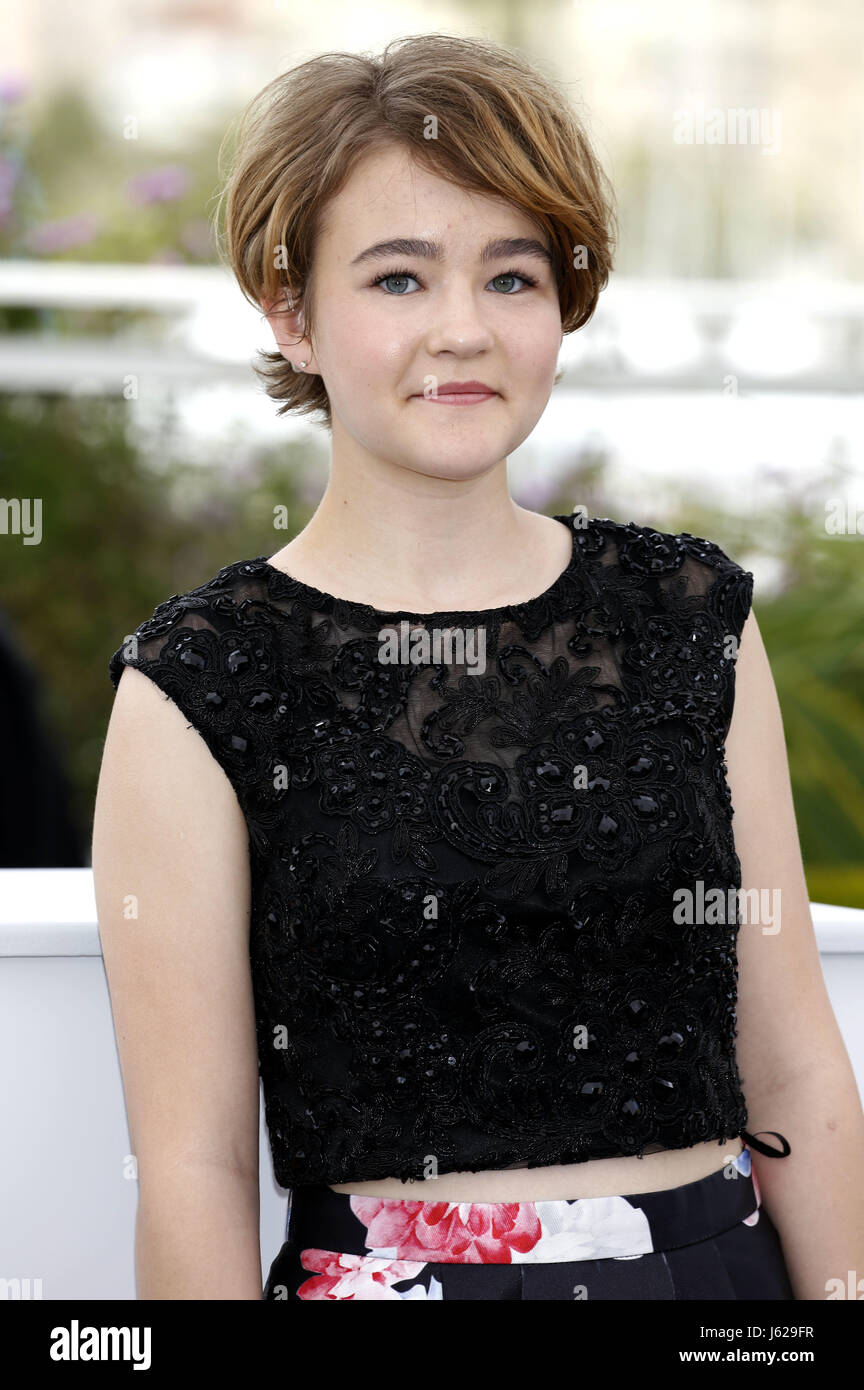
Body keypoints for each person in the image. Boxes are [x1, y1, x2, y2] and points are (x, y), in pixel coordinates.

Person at [92, 33, 864, 1302]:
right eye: (398, 279)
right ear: (292, 312)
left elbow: (796, 1068)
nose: (463, 330)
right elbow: (195, 1165)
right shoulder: (206, 678)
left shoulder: (687, 619)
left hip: (717, 1286)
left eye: (512, 278)